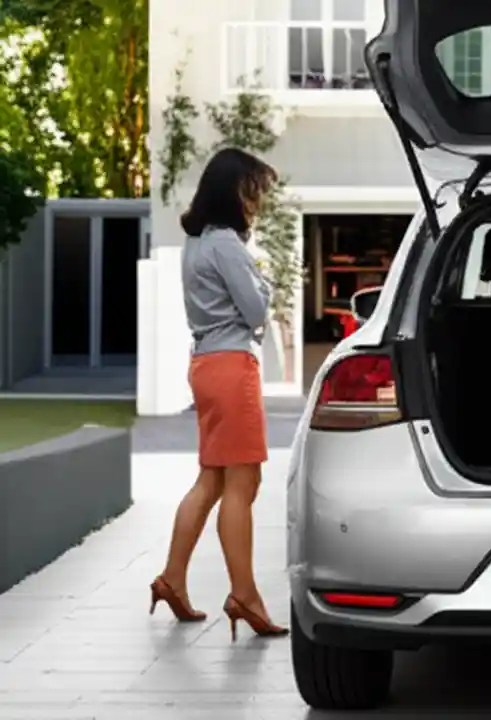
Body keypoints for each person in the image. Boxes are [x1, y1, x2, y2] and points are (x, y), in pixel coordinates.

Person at [150, 147, 288, 641]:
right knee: (242, 484)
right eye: (255, 190)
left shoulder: (198, 243)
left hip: (206, 363)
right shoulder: (227, 243)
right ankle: (245, 595)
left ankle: (171, 579)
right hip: (232, 367)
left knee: (211, 480)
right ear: (235, 190)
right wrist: (265, 283)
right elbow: (254, 312)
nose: (258, 201)